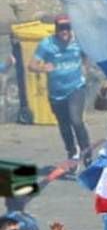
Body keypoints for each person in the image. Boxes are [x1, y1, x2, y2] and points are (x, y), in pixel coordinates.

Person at [31, 17, 91, 161]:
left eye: (67, 28)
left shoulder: (79, 41)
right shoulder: (47, 44)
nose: (64, 32)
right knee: (64, 125)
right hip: (56, 92)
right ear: (56, 29)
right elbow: (31, 65)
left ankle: (86, 151)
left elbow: (86, 55)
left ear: (71, 29)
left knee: (76, 120)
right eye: (61, 29)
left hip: (76, 87)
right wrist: (42, 68)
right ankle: (71, 151)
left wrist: (85, 68)